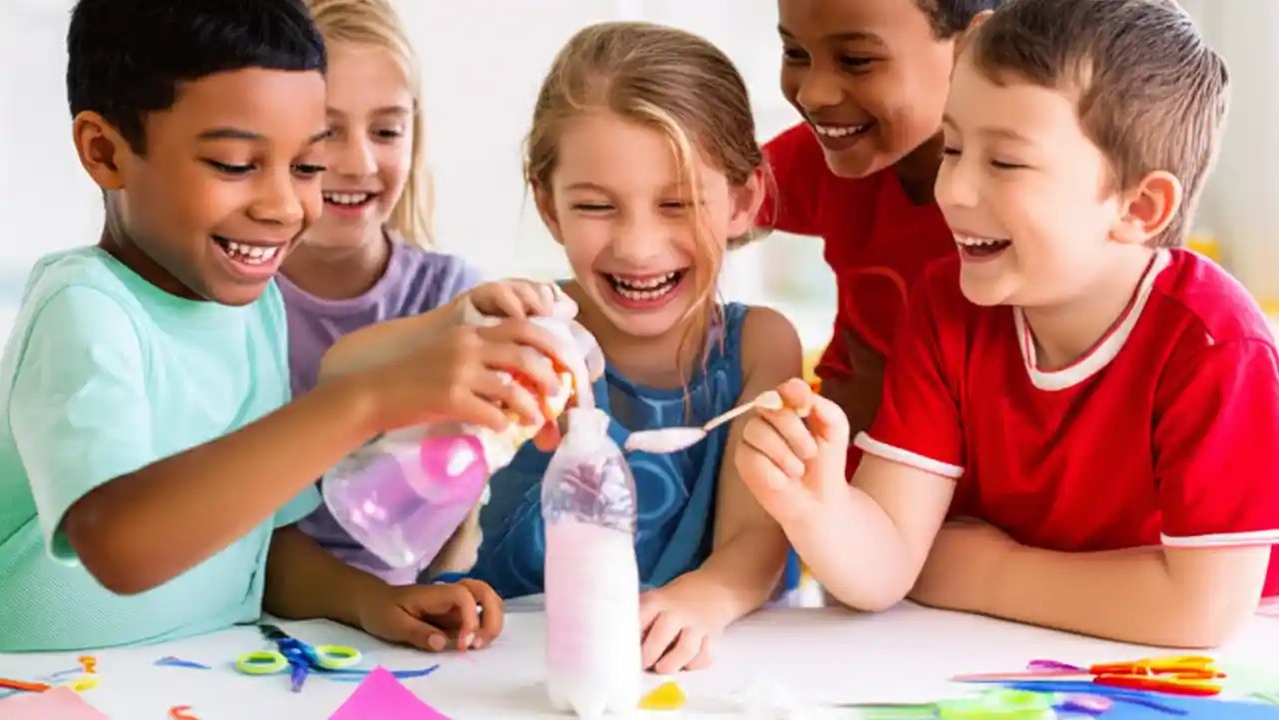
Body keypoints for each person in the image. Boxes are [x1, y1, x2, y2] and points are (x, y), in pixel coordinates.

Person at [0, 0, 560, 652]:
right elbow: (120, 547)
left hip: (200, 675)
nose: (285, 206)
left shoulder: (254, 308)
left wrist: (371, 601)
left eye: (305, 167)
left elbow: (262, 548)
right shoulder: (85, 310)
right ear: (105, 152)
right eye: (237, 164)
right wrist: (365, 400)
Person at [738, 0, 1279, 647]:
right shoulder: (946, 304)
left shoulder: (1217, 345)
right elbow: (886, 567)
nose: (954, 191)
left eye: (1005, 163)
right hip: (996, 651)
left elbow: (1199, 613)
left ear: (1138, 206)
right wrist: (816, 502)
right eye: (954, 147)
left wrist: (983, 569)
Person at [459, 22, 799, 674]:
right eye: (595, 206)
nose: (639, 247)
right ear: (548, 205)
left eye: (677, 204)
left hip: (691, 676)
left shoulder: (758, 345)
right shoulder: (528, 331)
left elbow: (755, 539)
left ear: (743, 200)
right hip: (508, 666)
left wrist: (703, 600)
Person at [280, 0, 485, 587]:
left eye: (386, 130)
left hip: (401, 619)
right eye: (326, 133)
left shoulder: (453, 296)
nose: (359, 162)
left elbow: (446, 550)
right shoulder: (233, 301)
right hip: (256, 618)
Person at [761, 0, 1001, 457]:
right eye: (795, 53)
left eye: (856, 60)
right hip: (840, 475)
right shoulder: (832, 152)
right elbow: (701, 203)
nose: (813, 93)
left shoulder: (1026, 206)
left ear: (972, 47)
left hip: (965, 503)